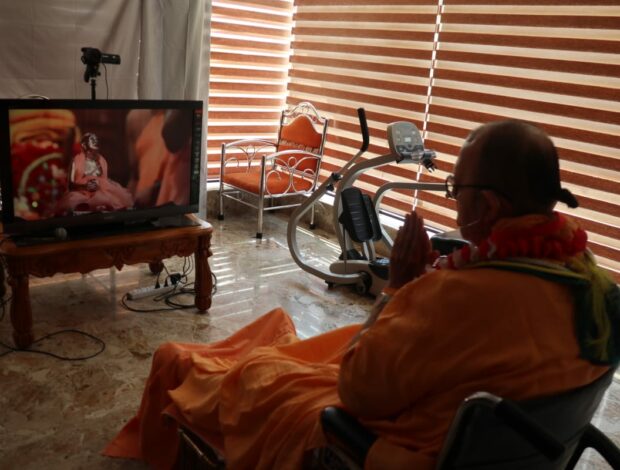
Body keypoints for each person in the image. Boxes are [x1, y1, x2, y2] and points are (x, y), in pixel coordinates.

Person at [104, 119, 619, 469]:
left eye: (455, 189)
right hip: (520, 448)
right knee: (304, 341)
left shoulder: (458, 293)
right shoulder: (592, 284)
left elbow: (356, 391)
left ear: (486, 206)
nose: (452, 200)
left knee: (258, 375)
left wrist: (399, 286)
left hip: (399, 445)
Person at [56, 132, 134, 213]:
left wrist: (99, 186)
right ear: (84, 145)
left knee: (105, 200)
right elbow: (71, 185)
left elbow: (105, 180)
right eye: (91, 141)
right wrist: (85, 187)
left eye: (95, 141)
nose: (94, 143)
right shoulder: (76, 161)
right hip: (80, 195)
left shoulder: (101, 160)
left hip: (101, 194)